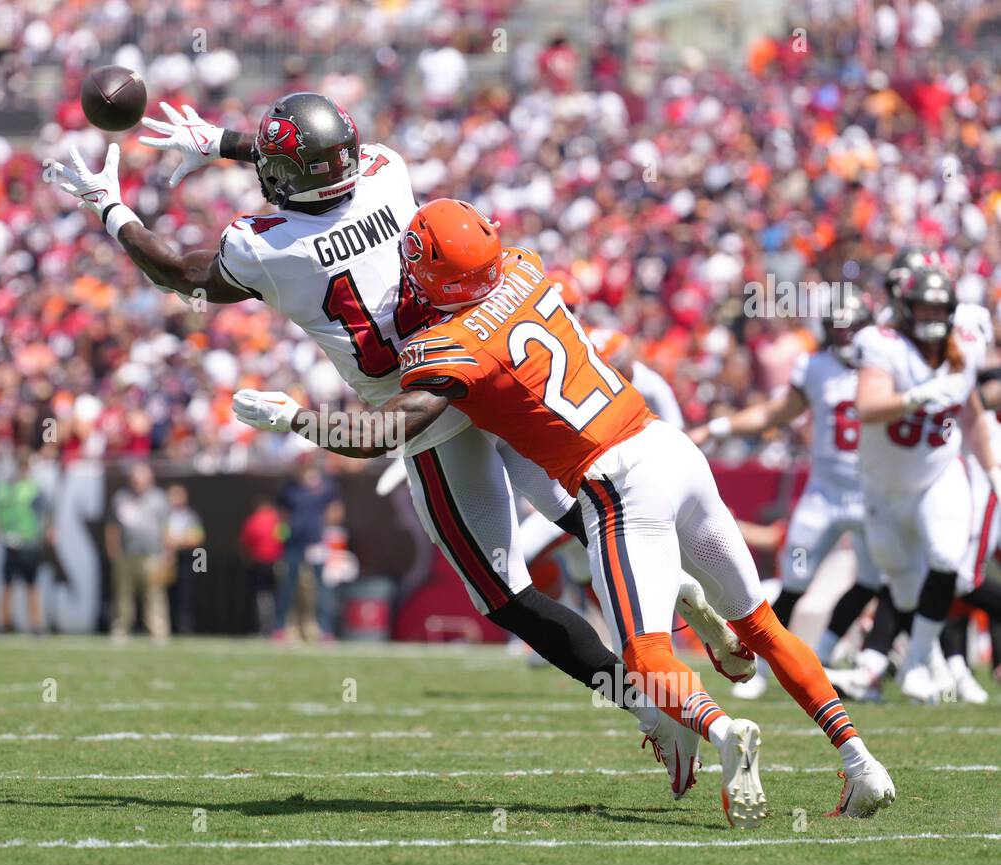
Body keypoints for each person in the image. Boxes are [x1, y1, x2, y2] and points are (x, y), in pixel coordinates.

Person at [50, 93, 714, 794]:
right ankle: (683, 589)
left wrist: (109, 208)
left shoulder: (264, 247)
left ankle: (648, 704)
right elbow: (325, 168)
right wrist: (223, 141)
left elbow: (179, 273)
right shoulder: (390, 172)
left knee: (504, 593)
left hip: (415, 414)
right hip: (481, 371)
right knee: (587, 518)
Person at [238, 199, 898, 822]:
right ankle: (860, 761)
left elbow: (381, 434)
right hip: (671, 448)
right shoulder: (524, 268)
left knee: (644, 659)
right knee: (762, 626)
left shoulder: (448, 351)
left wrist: (291, 418)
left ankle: (723, 734)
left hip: (617, 483)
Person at [688, 292, 884, 698]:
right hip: (825, 495)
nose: (845, 338)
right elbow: (774, 414)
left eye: (852, 329)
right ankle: (759, 669)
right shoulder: (816, 367)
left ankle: (829, 655)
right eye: (838, 329)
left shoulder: (887, 365)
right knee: (794, 579)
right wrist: (718, 428)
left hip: (873, 494)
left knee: (877, 580)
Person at [849, 265, 1000, 703]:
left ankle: (915, 660)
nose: (932, 313)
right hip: (884, 484)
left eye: (939, 305)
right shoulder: (883, 344)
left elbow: (969, 413)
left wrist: (991, 471)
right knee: (902, 582)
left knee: (947, 556)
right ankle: (928, 661)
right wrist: (914, 397)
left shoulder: (964, 346)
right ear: (905, 307)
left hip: (939, 470)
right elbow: (868, 406)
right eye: (924, 304)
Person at [273, 464, 339, 643]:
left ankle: (326, 631)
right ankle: (279, 628)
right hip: (293, 544)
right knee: (287, 585)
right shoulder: (288, 488)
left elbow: (335, 511)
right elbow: (281, 512)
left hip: (316, 543)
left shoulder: (325, 486)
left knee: (321, 588)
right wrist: (287, 529)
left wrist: (320, 529)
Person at [105, 463, 171, 644]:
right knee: (123, 595)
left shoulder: (159, 498)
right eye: (134, 479)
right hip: (126, 554)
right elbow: (112, 527)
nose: (137, 483)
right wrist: (113, 550)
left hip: (152, 554)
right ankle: (121, 630)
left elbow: (166, 527)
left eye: (140, 479)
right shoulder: (121, 498)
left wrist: (167, 551)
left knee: (155, 594)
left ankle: (158, 632)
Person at [0, 449, 52, 635]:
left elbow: (47, 513)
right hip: (10, 542)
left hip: (29, 542)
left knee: (31, 585)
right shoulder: (5, 488)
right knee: (7, 585)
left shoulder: (33, 488)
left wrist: (48, 530)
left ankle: (36, 624)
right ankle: (4, 622)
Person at [239, 496, 283, 635]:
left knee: (262, 595)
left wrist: (247, 557)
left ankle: (264, 626)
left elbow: (245, 542)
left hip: (260, 563)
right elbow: (285, 537)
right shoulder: (277, 521)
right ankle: (276, 626)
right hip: (277, 562)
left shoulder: (253, 520)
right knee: (277, 594)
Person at [165, 484, 205, 634]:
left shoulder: (191, 515)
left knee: (186, 595)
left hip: (187, 560)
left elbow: (198, 539)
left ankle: (185, 627)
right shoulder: (163, 514)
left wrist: (177, 542)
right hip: (166, 559)